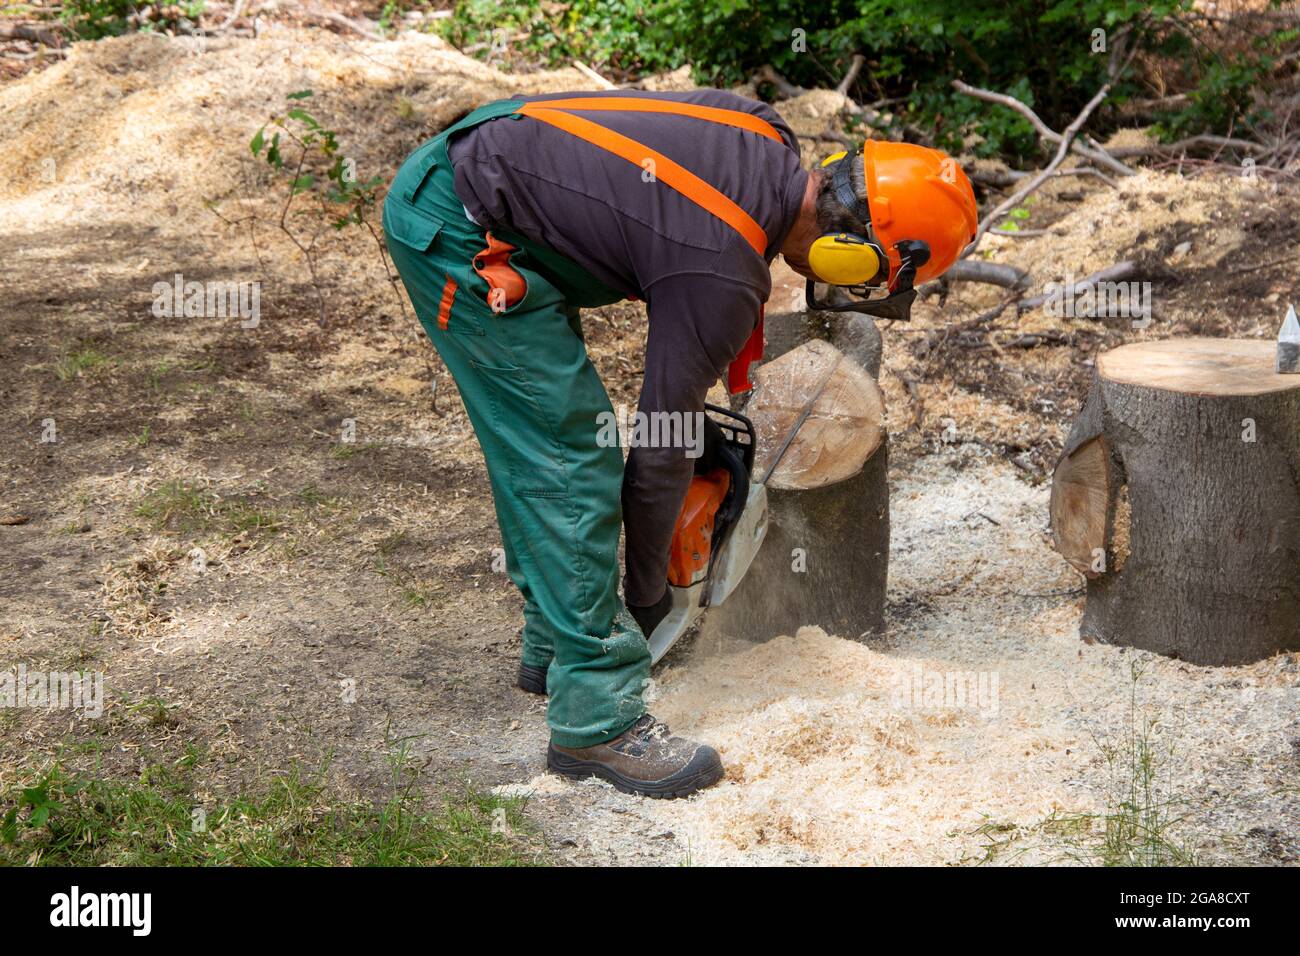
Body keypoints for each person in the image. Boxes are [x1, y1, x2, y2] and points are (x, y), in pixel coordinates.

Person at [382, 89, 976, 798]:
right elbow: (659, 446)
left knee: (550, 439)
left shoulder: (764, 132)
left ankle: (555, 645)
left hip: (487, 176)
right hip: (461, 229)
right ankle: (598, 722)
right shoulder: (720, 270)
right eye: (870, 275)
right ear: (848, 253)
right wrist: (648, 595)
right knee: (569, 458)